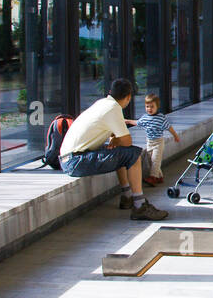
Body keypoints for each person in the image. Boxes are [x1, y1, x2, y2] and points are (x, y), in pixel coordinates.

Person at [59, 78, 167, 220]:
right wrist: (117, 139)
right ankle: (139, 206)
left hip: (69, 158)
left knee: (120, 151)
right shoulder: (113, 108)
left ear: (110, 92)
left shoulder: (102, 103)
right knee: (133, 154)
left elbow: (117, 139)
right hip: (76, 161)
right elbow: (127, 141)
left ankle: (128, 196)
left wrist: (115, 140)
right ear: (128, 97)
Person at [137, 92, 180, 185]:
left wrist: (175, 135)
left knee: (155, 160)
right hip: (149, 142)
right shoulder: (145, 118)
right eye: (147, 106)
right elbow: (137, 123)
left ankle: (153, 177)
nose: (149, 109)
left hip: (158, 143)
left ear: (157, 107)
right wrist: (127, 120)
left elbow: (169, 127)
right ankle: (159, 176)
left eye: (152, 106)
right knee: (151, 160)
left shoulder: (160, 118)